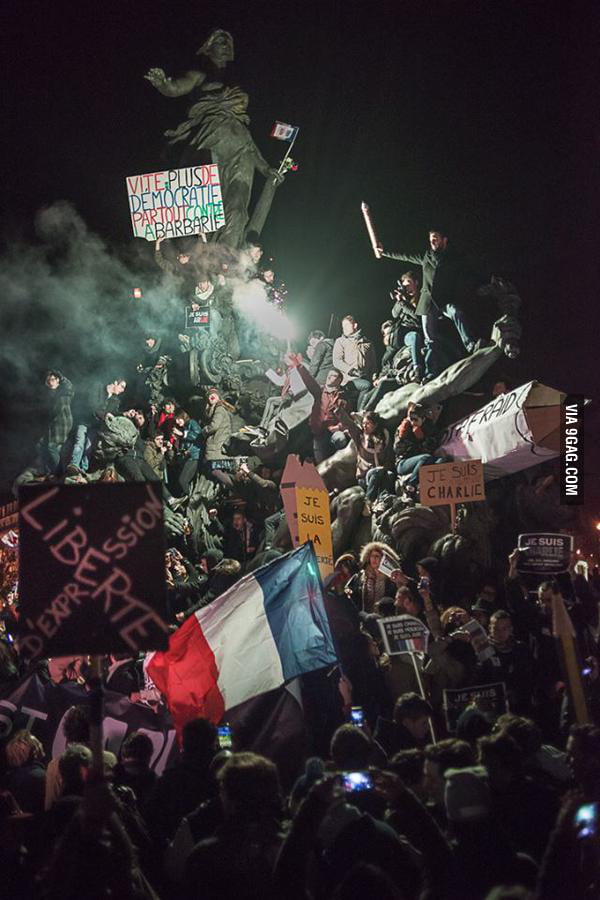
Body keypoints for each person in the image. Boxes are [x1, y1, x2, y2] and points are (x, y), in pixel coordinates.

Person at [377, 227, 482, 379]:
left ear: (444, 240)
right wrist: (385, 251)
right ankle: (430, 371)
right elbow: (405, 255)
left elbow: (465, 275)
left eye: (436, 238)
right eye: (431, 238)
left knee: (456, 311)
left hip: (443, 301)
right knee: (430, 339)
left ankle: (470, 343)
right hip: (427, 305)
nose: (432, 241)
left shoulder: (452, 260)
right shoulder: (426, 256)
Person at [296, 364, 349, 463]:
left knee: (340, 439)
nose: (329, 377)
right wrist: (299, 366)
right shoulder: (319, 391)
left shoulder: (342, 397)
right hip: (318, 432)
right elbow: (310, 382)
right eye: (329, 375)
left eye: (333, 375)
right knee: (321, 464)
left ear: (339, 380)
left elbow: (347, 418)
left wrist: (338, 427)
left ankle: (341, 462)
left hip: (332, 431)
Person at [394, 403, 447, 494]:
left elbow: (431, 447)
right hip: (404, 462)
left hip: (424, 459)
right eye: (411, 419)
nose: (413, 422)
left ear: (423, 419)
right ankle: (411, 484)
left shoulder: (430, 428)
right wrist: (402, 437)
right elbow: (397, 450)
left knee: (442, 461)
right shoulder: (405, 427)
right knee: (425, 457)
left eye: (416, 420)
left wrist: (422, 439)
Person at [332, 316, 377, 407]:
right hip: (348, 380)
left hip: (365, 378)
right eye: (343, 326)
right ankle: (360, 412)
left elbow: (373, 363)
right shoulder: (340, 341)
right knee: (367, 386)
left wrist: (374, 377)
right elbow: (337, 361)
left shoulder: (367, 343)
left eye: (346, 326)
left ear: (355, 325)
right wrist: (351, 371)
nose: (344, 329)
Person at [390, 271, 426, 380]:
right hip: (406, 334)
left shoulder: (422, 297)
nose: (407, 287)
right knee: (413, 336)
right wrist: (399, 301)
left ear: (416, 283)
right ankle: (415, 369)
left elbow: (417, 317)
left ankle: (417, 368)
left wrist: (404, 304)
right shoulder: (405, 299)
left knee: (415, 336)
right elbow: (394, 314)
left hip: (420, 330)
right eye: (404, 285)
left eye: (409, 283)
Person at [41, 370, 74, 473]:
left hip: (63, 424)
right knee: (41, 445)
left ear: (58, 380)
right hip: (54, 425)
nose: (50, 382)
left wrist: (61, 376)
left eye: (52, 380)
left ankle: (59, 473)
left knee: (51, 446)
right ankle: (50, 471)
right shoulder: (49, 394)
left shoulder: (64, 392)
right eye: (48, 380)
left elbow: (70, 386)